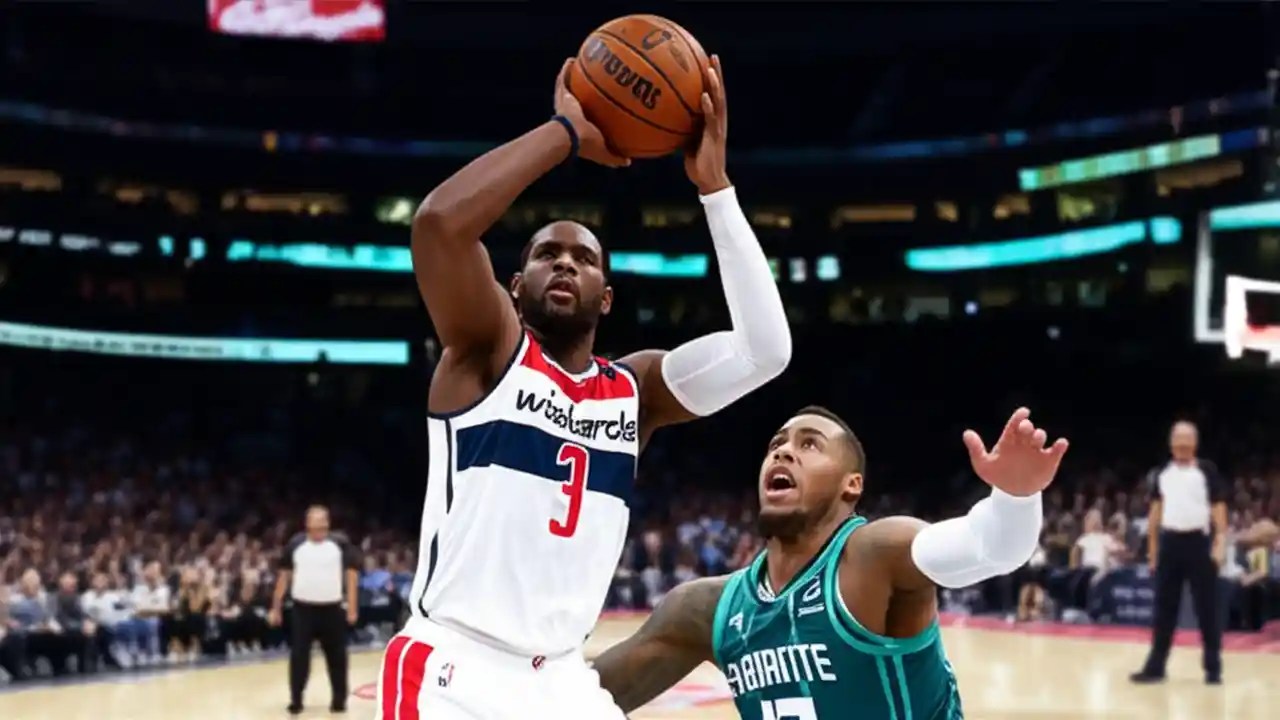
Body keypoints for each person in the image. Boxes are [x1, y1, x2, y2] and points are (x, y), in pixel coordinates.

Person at [377, 54, 790, 720]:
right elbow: (438, 226)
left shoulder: (636, 391)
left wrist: (714, 188)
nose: (565, 261)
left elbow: (765, 352)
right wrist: (562, 134)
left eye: (585, 257)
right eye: (546, 254)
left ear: (605, 298)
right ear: (514, 288)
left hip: (564, 681)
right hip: (455, 670)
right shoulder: (487, 352)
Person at [591, 406, 1068, 718]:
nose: (783, 450)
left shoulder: (874, 556)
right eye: (777, 443)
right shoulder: (706, 609)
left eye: (809, 444)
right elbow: (582, 699)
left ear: (851, 485)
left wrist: (1015, 497)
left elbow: (989, 546)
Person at [1130, 420, 1227, 685]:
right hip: (1170, 544)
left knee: (1207, 609)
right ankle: (1156, 667)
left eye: (1187, 439)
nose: (1183, 444)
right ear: (1171, 443)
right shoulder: (1162, 472)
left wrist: (1220, 546)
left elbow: (1219, 512)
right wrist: (1152, 552)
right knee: (1164, 609)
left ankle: (1213, 668)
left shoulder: (1207, 471)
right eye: (1178, 439)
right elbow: (1154, 515)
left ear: (1195, 443)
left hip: (1199, 544)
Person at [270, 506, 361, 715]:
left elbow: (352, 576)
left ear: (328, 523)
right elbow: (284, 577)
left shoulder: (340, 544)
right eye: (314, 522)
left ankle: (339, 700)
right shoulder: (295, 544)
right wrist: (275, 606)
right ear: (307, 523)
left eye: (322, 522)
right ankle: (296, 700)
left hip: (332, 608)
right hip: (303, 609)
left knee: (337, 657)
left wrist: (352, 608)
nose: (318, 526)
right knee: (299, 656)